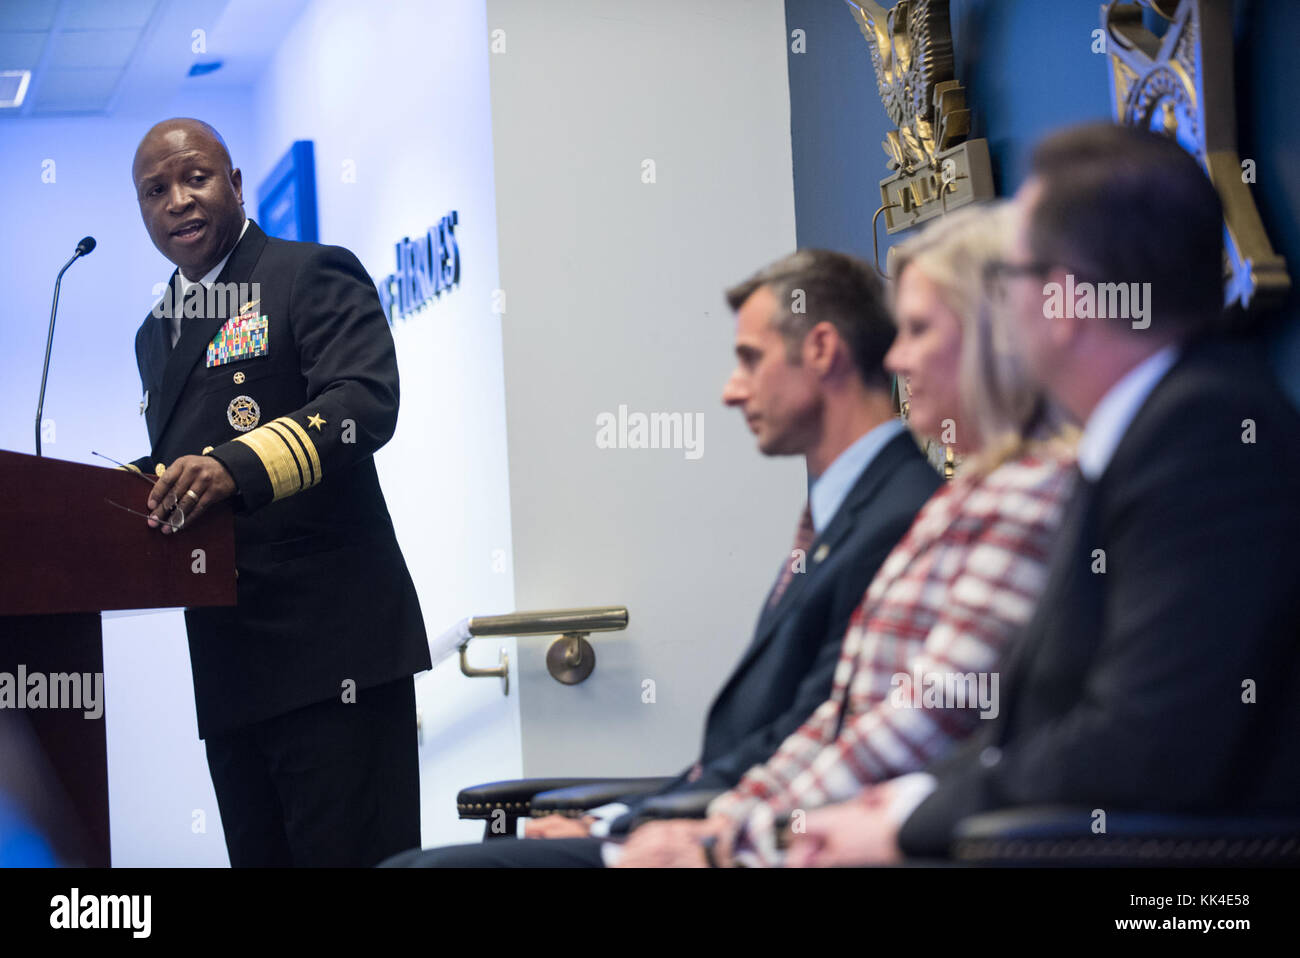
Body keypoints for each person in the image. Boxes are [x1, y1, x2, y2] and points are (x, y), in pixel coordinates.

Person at [783, 122, 1300, 868]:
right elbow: (1047, 725)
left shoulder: (1205, 437)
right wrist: (905, 799)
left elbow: (1147, 742)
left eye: (1009, 280)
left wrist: (909, 822)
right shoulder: (1154, 429)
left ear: (1061, 300)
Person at [382, 249, 941, 866]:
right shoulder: (847, 509)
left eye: (750, 360)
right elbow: (765, 739)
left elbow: (810, 733)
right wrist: (614, 818)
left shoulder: (903, 514)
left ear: (822, 350)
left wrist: (626, 830)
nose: (732, 391)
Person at [615, 202, 1078, 868]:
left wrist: (728, 843)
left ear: (987, 334)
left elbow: (929, 713)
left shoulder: (1028, 492)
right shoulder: (963, 498)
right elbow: (838, 719)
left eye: (918, 329)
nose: (895, 355)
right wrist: (724, 822)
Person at [122, 118, 432, 866]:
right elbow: (186, 459)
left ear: (234, 184)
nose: (178, 201)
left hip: (333, 655)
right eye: (155, 191)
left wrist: (236, 465)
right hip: (230, 661)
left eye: (195, 177)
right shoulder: (155, 331)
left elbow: (363, 402)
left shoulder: (307, 272)